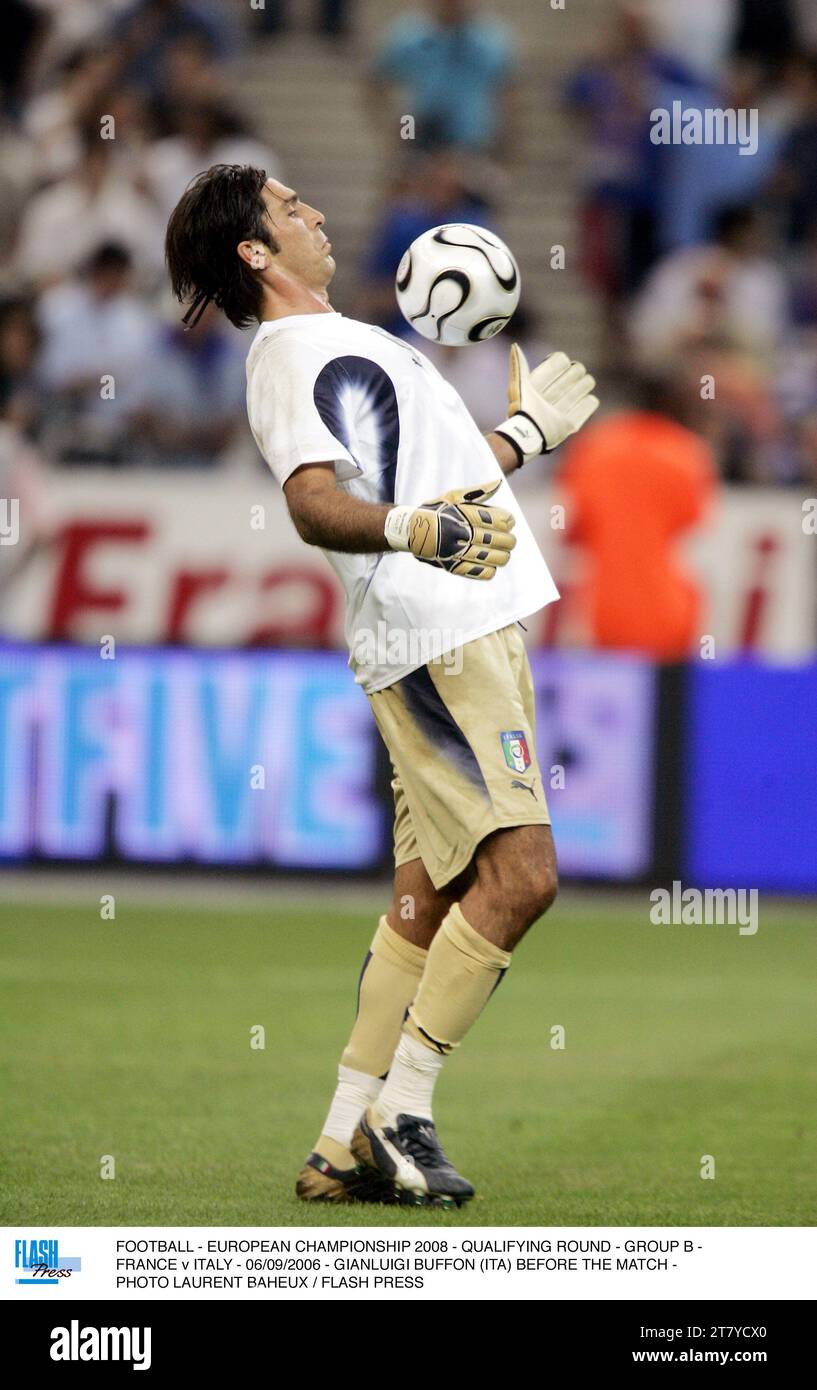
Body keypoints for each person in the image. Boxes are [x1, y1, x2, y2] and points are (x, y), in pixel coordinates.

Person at [165, 164, 599, 1205]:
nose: (314, 210)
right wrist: (415, 530)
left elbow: (434, 497)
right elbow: (316, 504)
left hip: (459, 626)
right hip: (437, 639)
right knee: (523, 877)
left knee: (429, 896)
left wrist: (521, 438)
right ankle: (399, 1115)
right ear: (254, 253)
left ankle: (335, 1142)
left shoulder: (345, 340)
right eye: (289, 207)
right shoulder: (285, 355)